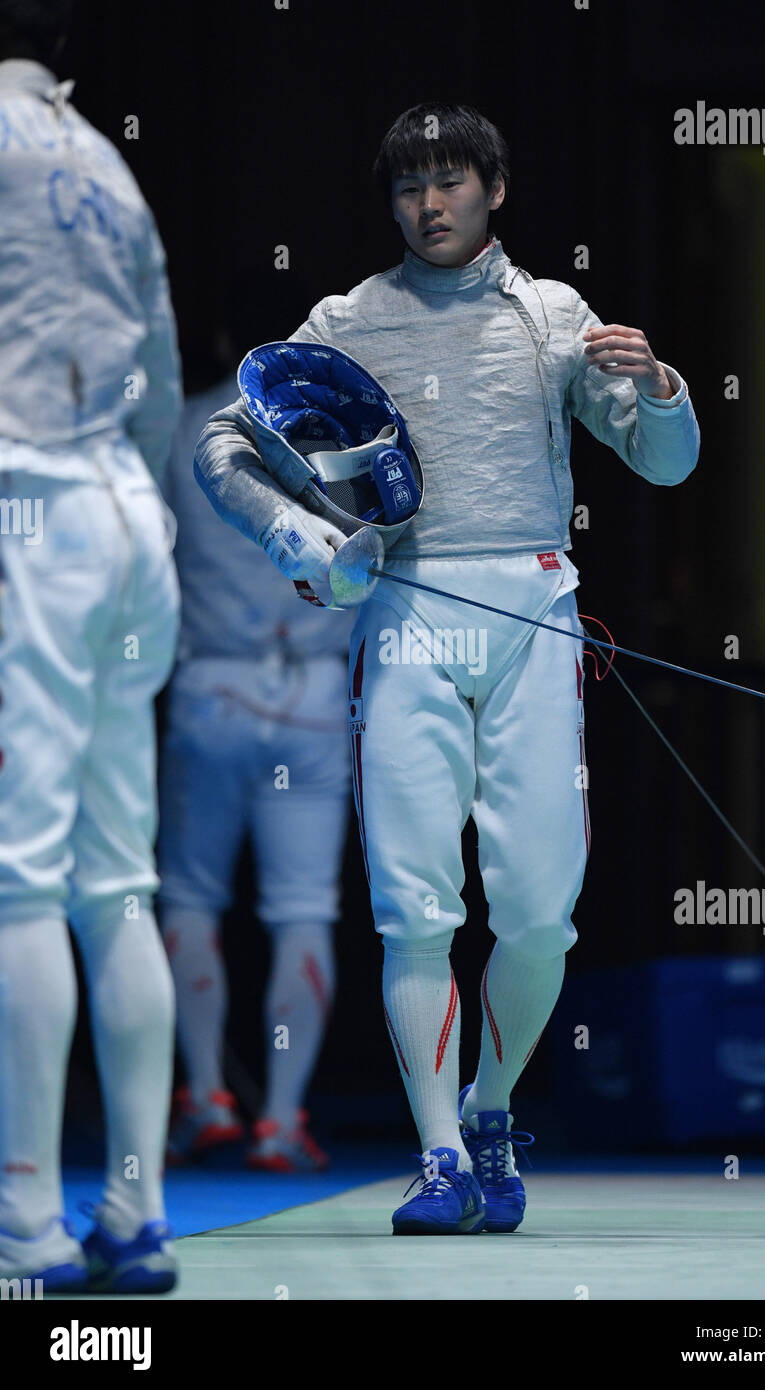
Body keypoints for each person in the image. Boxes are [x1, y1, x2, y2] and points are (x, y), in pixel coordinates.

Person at [194, 102, 700, 1235]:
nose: (429, 204)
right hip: (409, 615)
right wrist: (310, 545)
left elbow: (662, 467)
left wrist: (661, 389)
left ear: (493, 189)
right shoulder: (347, 317)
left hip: (532, 612)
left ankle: (487, 1108)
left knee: (537, 915)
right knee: (412, 909)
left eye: (450, 180)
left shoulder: (549, 315)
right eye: (408, 187)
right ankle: (434, 1155)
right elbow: (219, 446)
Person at [0, 0, 182, 1289]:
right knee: (113, 880)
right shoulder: (110, 167)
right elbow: (163, 378)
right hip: (130, 519)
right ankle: (135, 1210)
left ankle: (25, 1220)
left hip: (35, 506)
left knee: (17, 875)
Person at [158, 363, 355, 1173]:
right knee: (302, 907)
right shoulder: (351, 428)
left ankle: (206, 1096)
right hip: (312, 696)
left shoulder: (185, 425)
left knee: (189, 897)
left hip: (212, 688)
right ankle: (278, 1120)